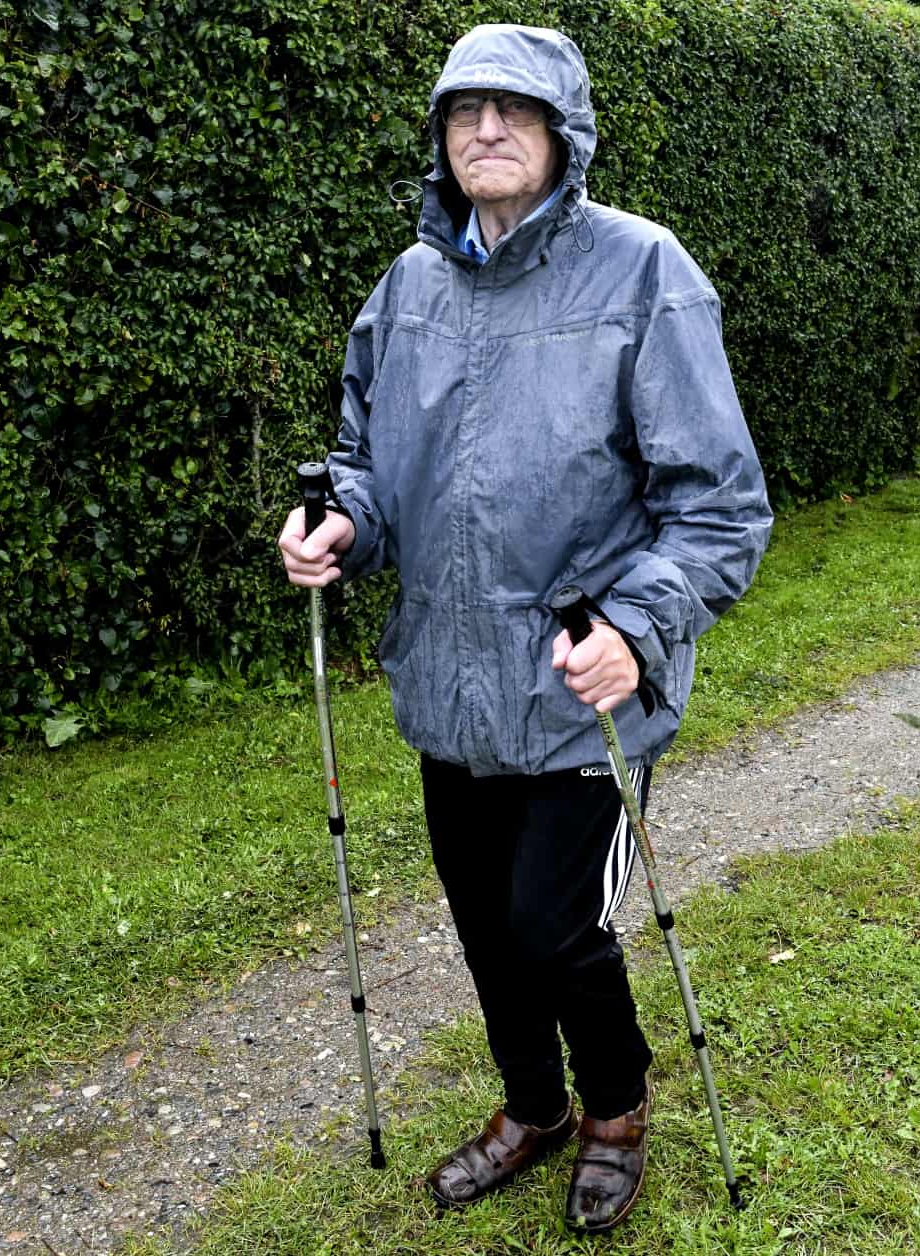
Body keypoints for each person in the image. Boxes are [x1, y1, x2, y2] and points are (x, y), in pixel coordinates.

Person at [279, 22, 770, 1233]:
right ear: (441, 138)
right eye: (465, 109)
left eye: (515, 109)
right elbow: (368, 463)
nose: (487, 129)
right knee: (485, 923)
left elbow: (719, 507)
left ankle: (615, 1109)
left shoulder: (644, 273)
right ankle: (533, 1104)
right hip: (449, 677)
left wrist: (637, 629)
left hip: (579, 685)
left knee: (556, 923)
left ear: (563, 134)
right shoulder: (408, 288)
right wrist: (340, 524)